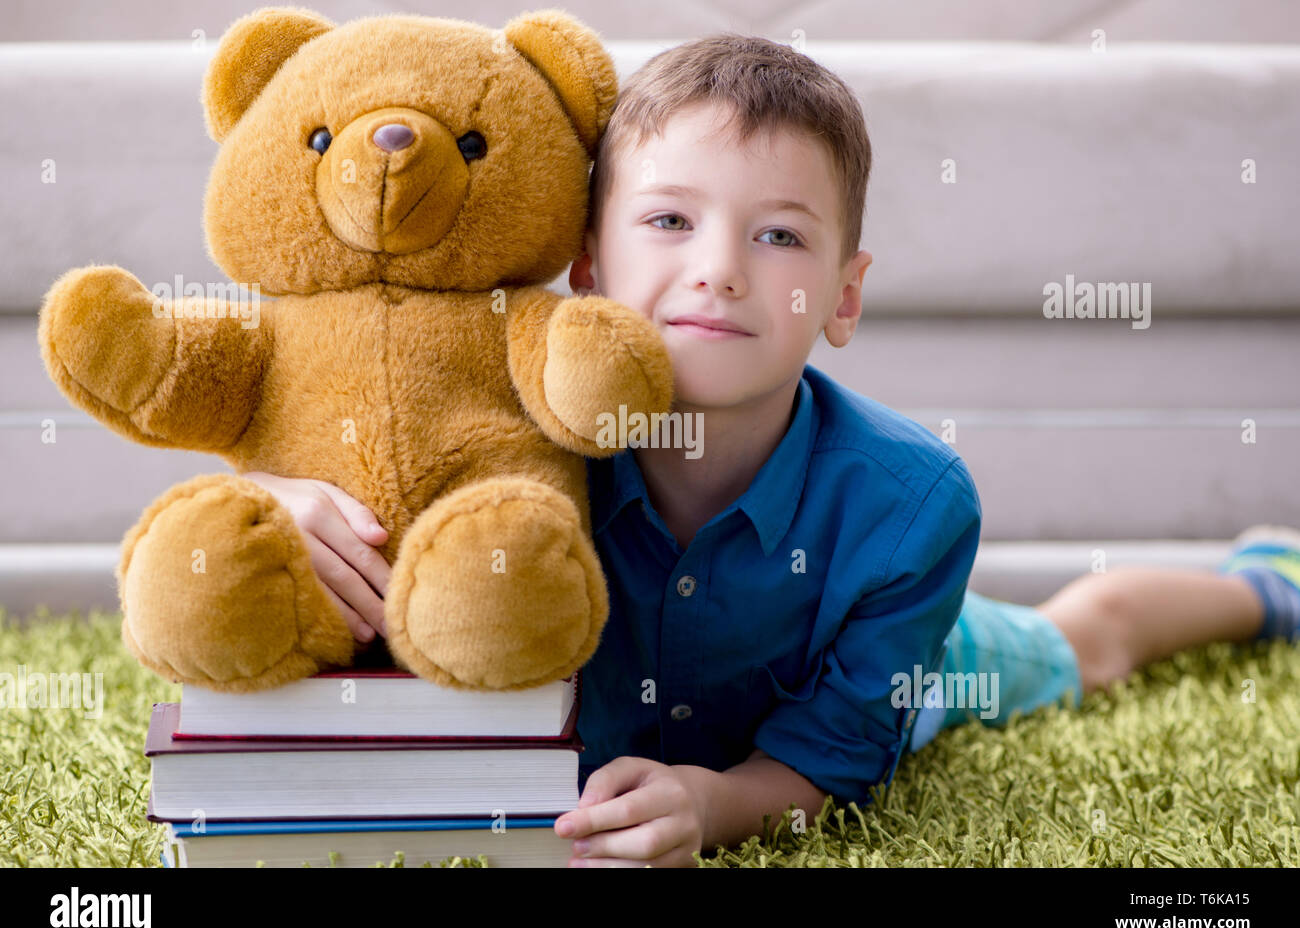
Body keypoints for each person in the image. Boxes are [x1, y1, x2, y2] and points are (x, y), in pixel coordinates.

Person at [243, 35, 1300, 867]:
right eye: (668, 220)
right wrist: (279, 500)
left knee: (1088, 641)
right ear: (588, 269)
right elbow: (357, 461)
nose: (719, 269)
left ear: (843, 296)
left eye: (780, 235)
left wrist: (719, 802)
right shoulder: (498, 437)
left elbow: (836, 758)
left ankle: (1266, 580)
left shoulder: (913, 508)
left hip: (897, 655)